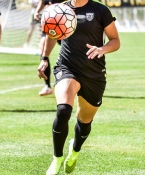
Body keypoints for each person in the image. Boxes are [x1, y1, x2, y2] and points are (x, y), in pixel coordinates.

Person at [37, 0, 120, 174]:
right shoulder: (61, 8)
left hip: (94, 73)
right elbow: (52, 33)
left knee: (85, 120)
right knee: (63, 110)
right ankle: (57, 158)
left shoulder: (100, 10)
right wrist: (44, 58)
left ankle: (74, 151)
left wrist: (102, 49)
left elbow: (115, 40)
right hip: (67, 67)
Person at [34, 0, 63, 96]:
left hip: (64, 23)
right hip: (49, 22)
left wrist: (56, 7)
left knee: (74, 51)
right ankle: (47, 86)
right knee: (43, 51)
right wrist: (37, 11)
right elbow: (43, 1)